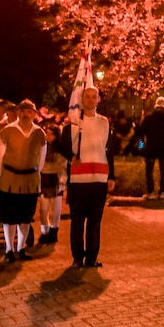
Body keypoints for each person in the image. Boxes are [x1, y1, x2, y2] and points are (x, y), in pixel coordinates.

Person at [57, 87, 117, 267]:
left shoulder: (105, 122)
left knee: (95, 222)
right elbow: (62, 148)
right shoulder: (73, 124)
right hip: (78, 180)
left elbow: (110, 150)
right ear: (82, 99)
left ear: (99, 100)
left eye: (94, 97)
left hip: (99, 179)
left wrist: (111, 176)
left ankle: (92, 257)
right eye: (87, 97)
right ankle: (77, 258)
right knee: (77, 223)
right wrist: (71, 158)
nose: (91, 100)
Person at [0, 99, 45, 262]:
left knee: (25, 218)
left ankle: (21, 248)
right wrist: (5, 175)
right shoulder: (7, 131)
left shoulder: (40, 133)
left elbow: (41, 159)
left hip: (30, 181)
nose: (25, 114)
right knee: (9, 218)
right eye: (22, 111)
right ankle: (9, 249)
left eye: (29, 111)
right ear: (17, 113)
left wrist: (33, 173)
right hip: (9, 179)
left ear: (34, 115)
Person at [139, 96, 164, 200]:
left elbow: (141, 131)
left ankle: (151, 192)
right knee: (163, 171)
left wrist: (142, 146)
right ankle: (162, 192)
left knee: (149, 170)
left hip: (151, 147)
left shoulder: (148, 117)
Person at [38, 124, 66, 245]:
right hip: (43, 180)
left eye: (51, 134)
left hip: (57, 180)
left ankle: (54, 231)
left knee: (56, 209)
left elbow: (60, 165)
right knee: (43, 209)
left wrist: (45, 167)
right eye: (47, 133)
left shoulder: (60, 148)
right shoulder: (42, 147)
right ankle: (45, 231)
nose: (48, 136)